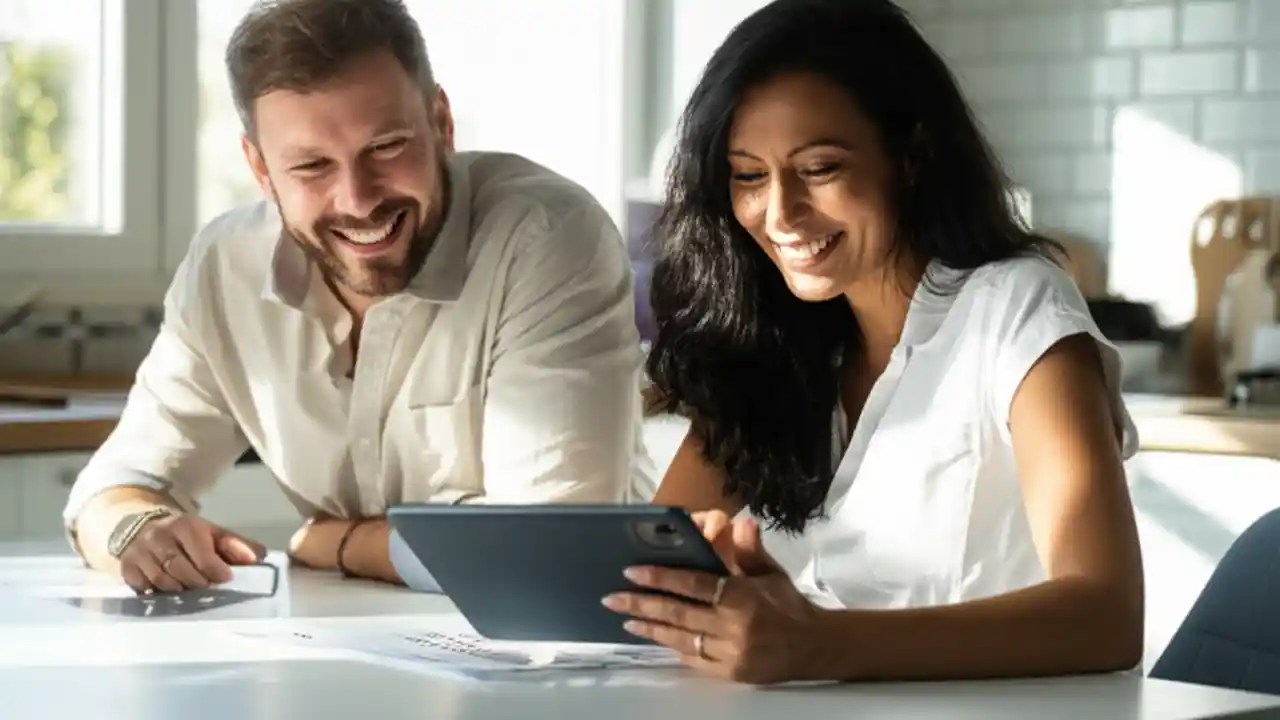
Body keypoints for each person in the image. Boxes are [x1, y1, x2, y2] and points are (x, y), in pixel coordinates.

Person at [603, 0, 1144, 685]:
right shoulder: (769, 343)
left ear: (911, 155)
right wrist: (721, 593)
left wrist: (821, 642)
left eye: (820, 168)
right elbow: (643, 568)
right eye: (748, 175)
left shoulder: (1017, 309)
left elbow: (1106, 614)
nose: (779, 214)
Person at [62, 0, 650, 594]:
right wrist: (137, 529)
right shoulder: (224, 269)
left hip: (567, 652)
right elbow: (113, 489)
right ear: (260, 169)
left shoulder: (546, 235)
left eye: (387, 146)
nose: (359, 199)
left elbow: (547, 550)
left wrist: (336, 542)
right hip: (348, 643)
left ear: (440, 122)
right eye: (312, 165)